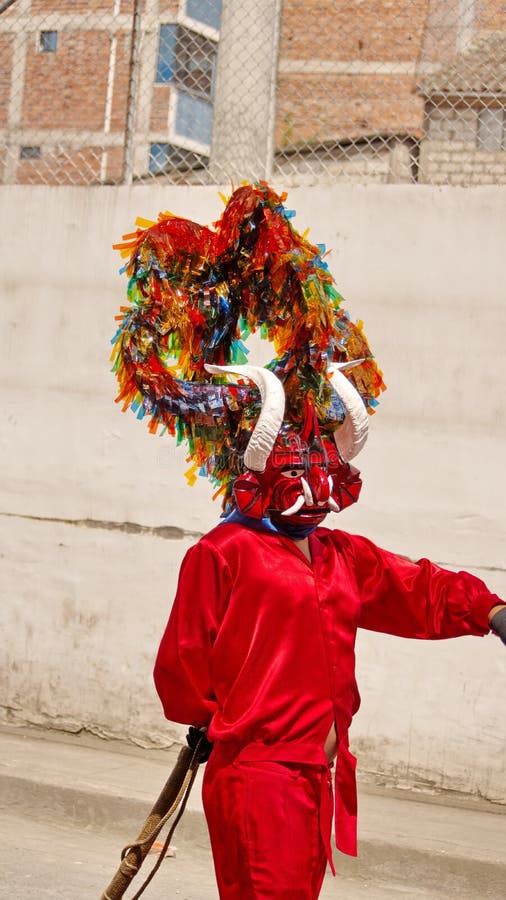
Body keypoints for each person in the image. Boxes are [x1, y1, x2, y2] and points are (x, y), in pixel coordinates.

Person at [112, 183, 506, 900]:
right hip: (257, 778)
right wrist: (215, 720)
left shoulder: (338, 556)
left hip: (315, 777)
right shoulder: (223, 553)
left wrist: (487, 611)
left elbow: (416, 588)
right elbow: (182, 665)